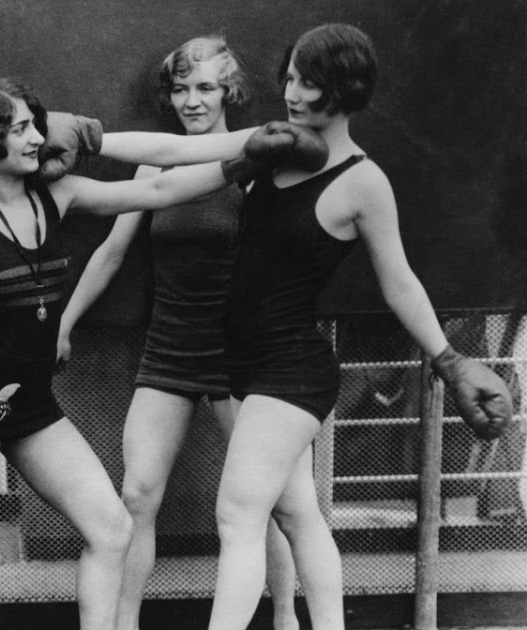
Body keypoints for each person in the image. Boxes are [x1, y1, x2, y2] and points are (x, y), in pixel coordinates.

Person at [0, 76, 283, 630]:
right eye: (20, 129)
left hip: (34, 406)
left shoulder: (59, 192)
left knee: (112, 530)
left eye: (34, 125)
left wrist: (239, 163)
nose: (35, 138)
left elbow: (158, 190)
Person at [191, 24, 512, 630]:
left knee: (237, 516)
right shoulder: (279, 148)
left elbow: (399, 282)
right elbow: (175, 164)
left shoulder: (363, 182)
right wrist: (95, 142)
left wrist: (447, 358)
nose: (290, 92)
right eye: (288, 77)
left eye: (307, 83)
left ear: (342, 89)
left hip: (291, 369)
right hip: (244, 361)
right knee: (299, 514)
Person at [54, 37, 298, 630]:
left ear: (230, 92)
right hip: (169, 350)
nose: (192, 100)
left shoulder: (258, 165)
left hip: (241, 357)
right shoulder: (154, 163)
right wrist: (64, 321)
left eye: (206, 88)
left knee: (270, 505)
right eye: (182, 89)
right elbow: (112, 254)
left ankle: (287, 616)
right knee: (137, 496)